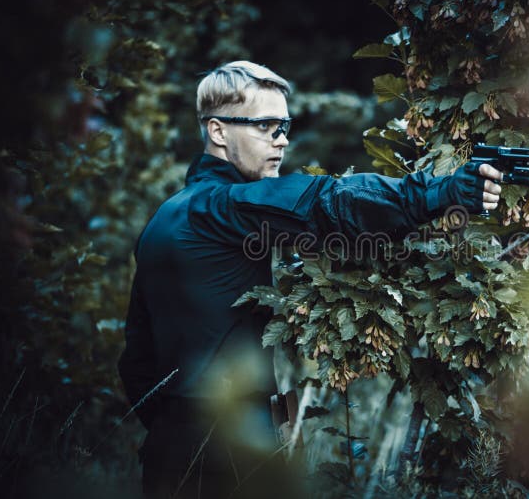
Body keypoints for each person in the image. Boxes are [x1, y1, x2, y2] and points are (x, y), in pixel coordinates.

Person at [118, 60, 503, 498]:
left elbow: (136, 363)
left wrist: (174, 430)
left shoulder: (162, 219)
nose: (281, 140)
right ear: (218, 131)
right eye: (265, 126)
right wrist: (443, 192)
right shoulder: (225, 206)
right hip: (232, 446)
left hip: (167, 449)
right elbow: (333, 201)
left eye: (284, 126)